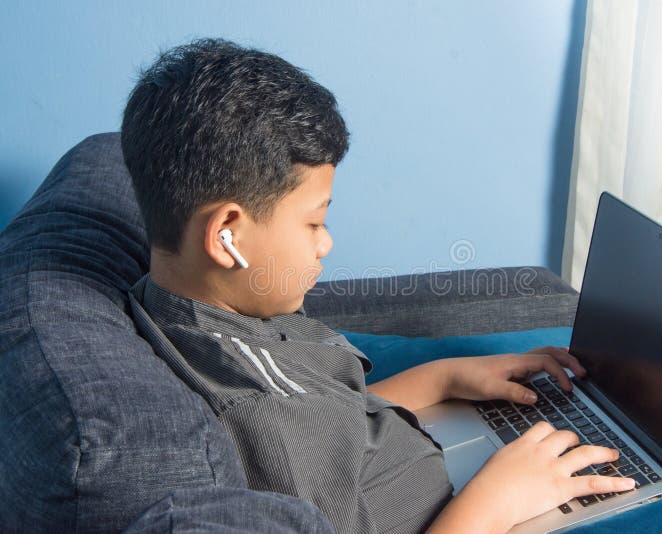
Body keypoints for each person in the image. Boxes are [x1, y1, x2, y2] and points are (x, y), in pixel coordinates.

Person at [122, 38, 635, 533]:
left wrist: (442, 378)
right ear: (226, 237)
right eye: (312, 223)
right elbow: (301, 430)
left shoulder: (212, 310)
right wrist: (499, 497)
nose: (325, 244)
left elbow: (334, 427)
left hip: (447, 465)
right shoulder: (264, 419)